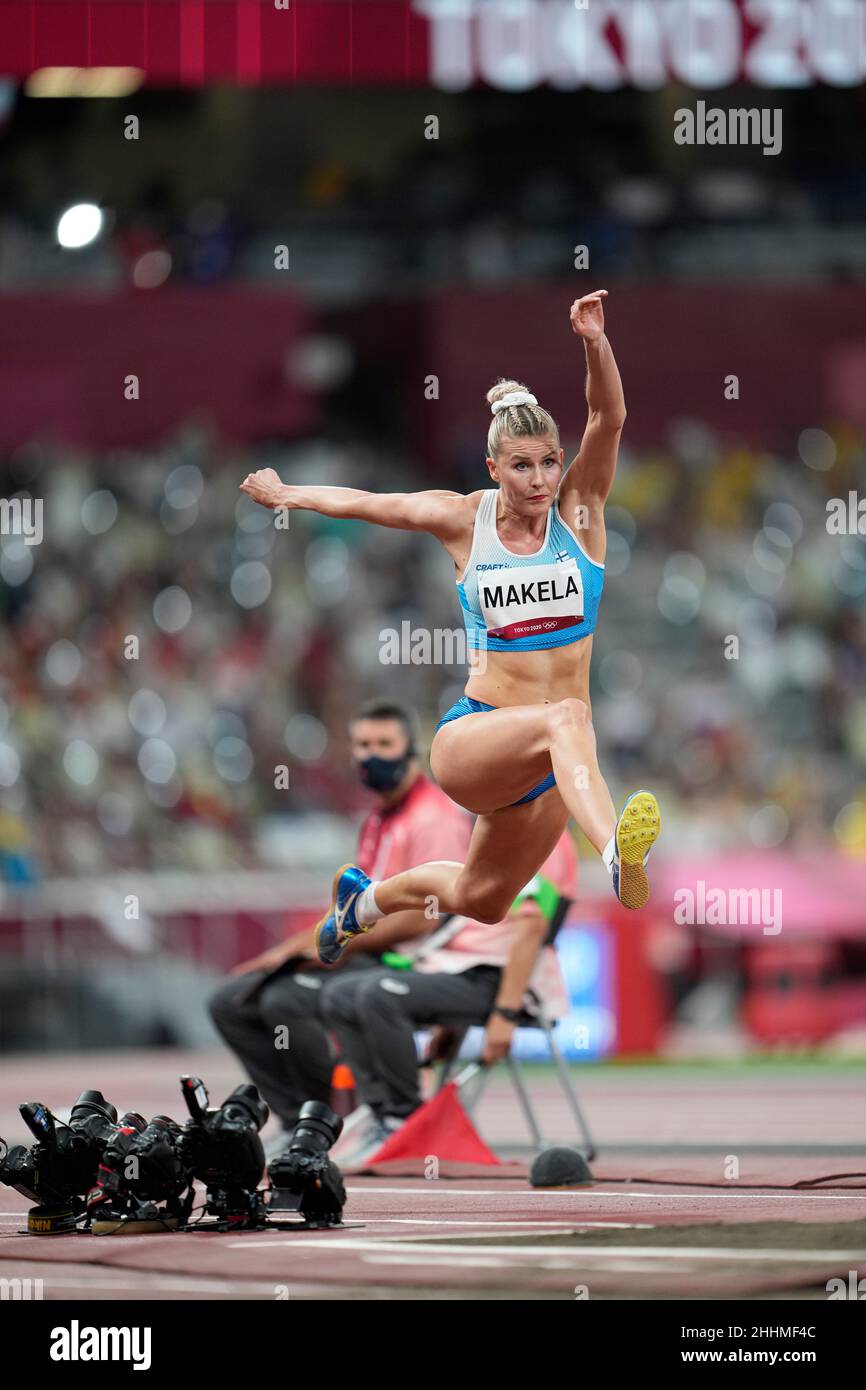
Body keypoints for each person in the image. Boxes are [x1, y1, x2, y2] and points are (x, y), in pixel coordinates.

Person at [239, 290, 660, 969]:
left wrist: (594, 341)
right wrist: (290, 495)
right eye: (521, 466)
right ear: (494, 469)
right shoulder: (467, 520)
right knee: (569, 715)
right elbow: (373, 504)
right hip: (476, 743)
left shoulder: (580, 515)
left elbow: (608, 417)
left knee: (480, 898)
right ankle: (615, 853)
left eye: (549, 462)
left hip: (548, 770)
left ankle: (360, 905)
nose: (540, 479)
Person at [207, 698, 471, 1151]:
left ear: (411, 749)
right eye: (362, 744)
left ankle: (322, 1122)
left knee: (285, 999)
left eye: (384, 743)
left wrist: (336, 944)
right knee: (230, 1002)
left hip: (408, 962)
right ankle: (296, 1121)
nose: (372, 754)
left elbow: (424, 917)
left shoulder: (434, 818)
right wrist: (291, 949)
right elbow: (349, 908)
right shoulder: (376, 820)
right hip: (364, 952)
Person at [320, 830, 578, 1165]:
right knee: (340, 995)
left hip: (501, 977)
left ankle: (406, 1119)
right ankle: (383, 1115)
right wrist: (450, 1020)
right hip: (455, 967)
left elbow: (532, 927)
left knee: (378, 994)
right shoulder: (499, 827)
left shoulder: (542, 835)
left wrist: (506, 1013)